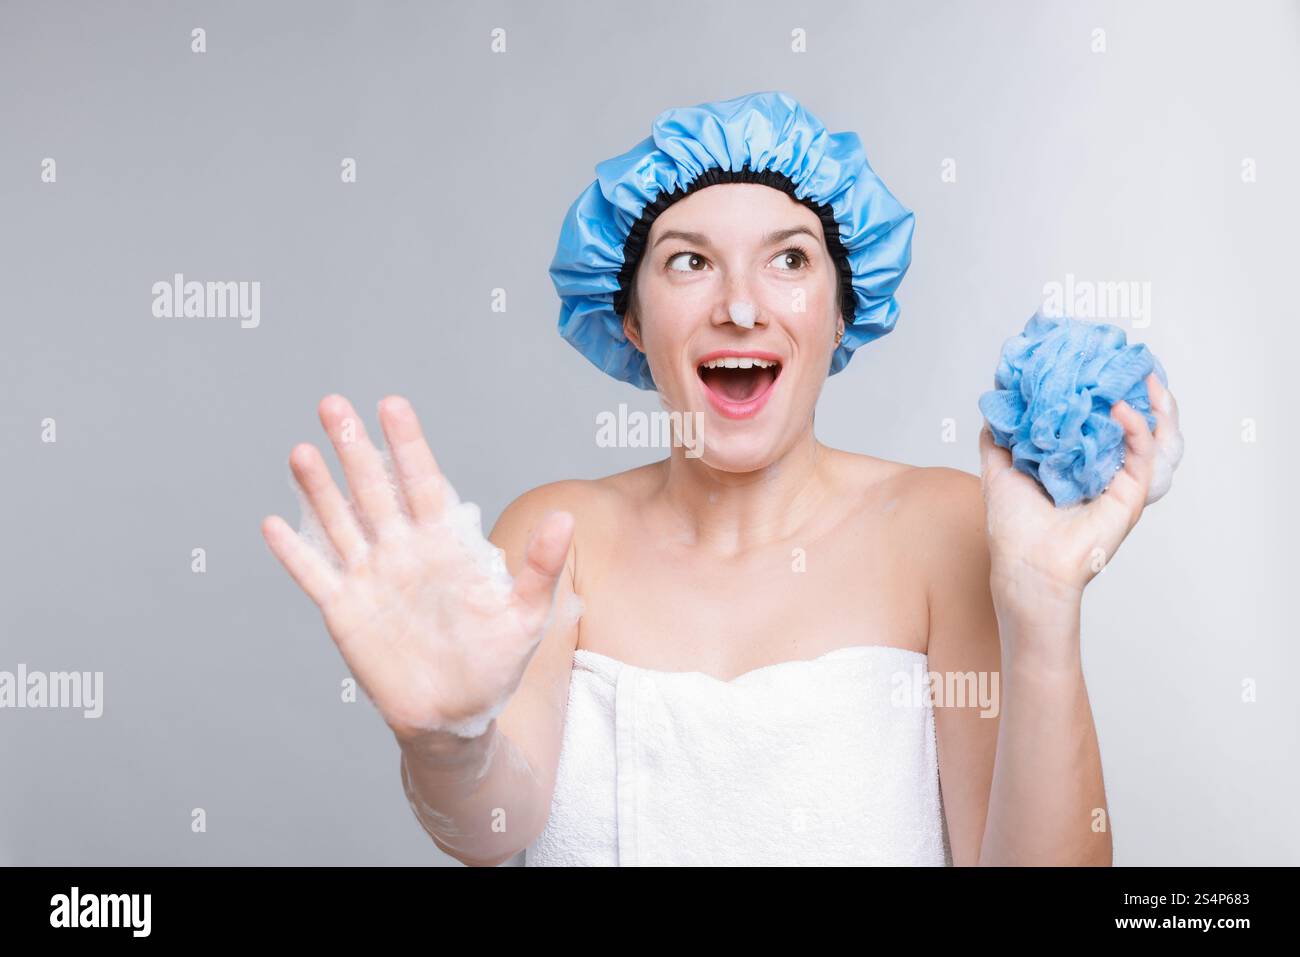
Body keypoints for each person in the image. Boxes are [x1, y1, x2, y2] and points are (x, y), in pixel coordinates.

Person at [260, 91, 1181, 866]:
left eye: (789, 260)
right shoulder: (556, 537)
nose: (740, 305)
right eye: (690, 262)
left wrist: (1043, 610)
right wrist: (444, 740)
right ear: (627, 318)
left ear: (838, 311)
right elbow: (493, 825)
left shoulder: (945, 527)